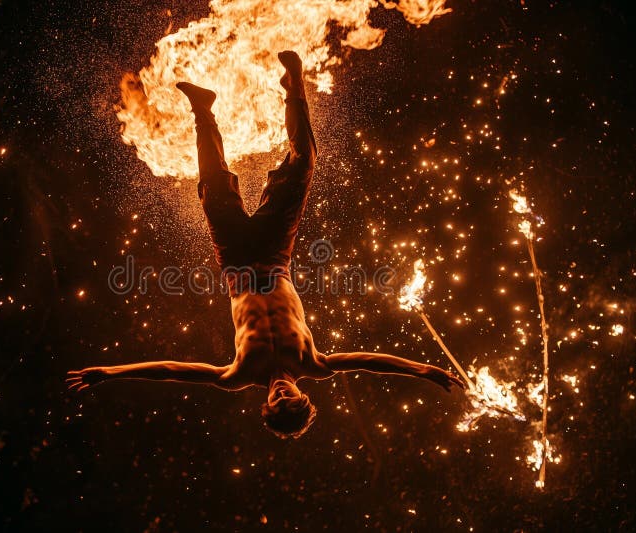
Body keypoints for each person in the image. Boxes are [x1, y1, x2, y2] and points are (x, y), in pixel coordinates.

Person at [67, 51, 464, 439]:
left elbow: (173, 370)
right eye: (290, 399)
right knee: (304, 164)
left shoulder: (239, 374)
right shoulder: (313, 363)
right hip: (276, 255)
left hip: (236, 259)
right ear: (303, 396)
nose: (280, 394)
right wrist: (421, 370)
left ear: (267, 406)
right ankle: (294, 86)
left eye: (276, 403)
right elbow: (368, 361)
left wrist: (111, 373)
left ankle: (203, 108)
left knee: (212, 183)